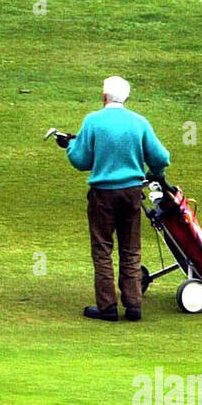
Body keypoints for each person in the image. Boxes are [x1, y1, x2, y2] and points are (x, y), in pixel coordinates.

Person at [64, 76, 170, 322]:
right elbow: (161, 157)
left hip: (102, 194)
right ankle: (133, 305)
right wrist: (155, 175)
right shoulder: (138, 122)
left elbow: (81, 160)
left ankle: (107, 307)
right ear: (127, 98)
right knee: (131, 249)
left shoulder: (93, 121)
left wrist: (70, 146)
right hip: (132, 192)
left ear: (104, 96)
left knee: (102, 249)